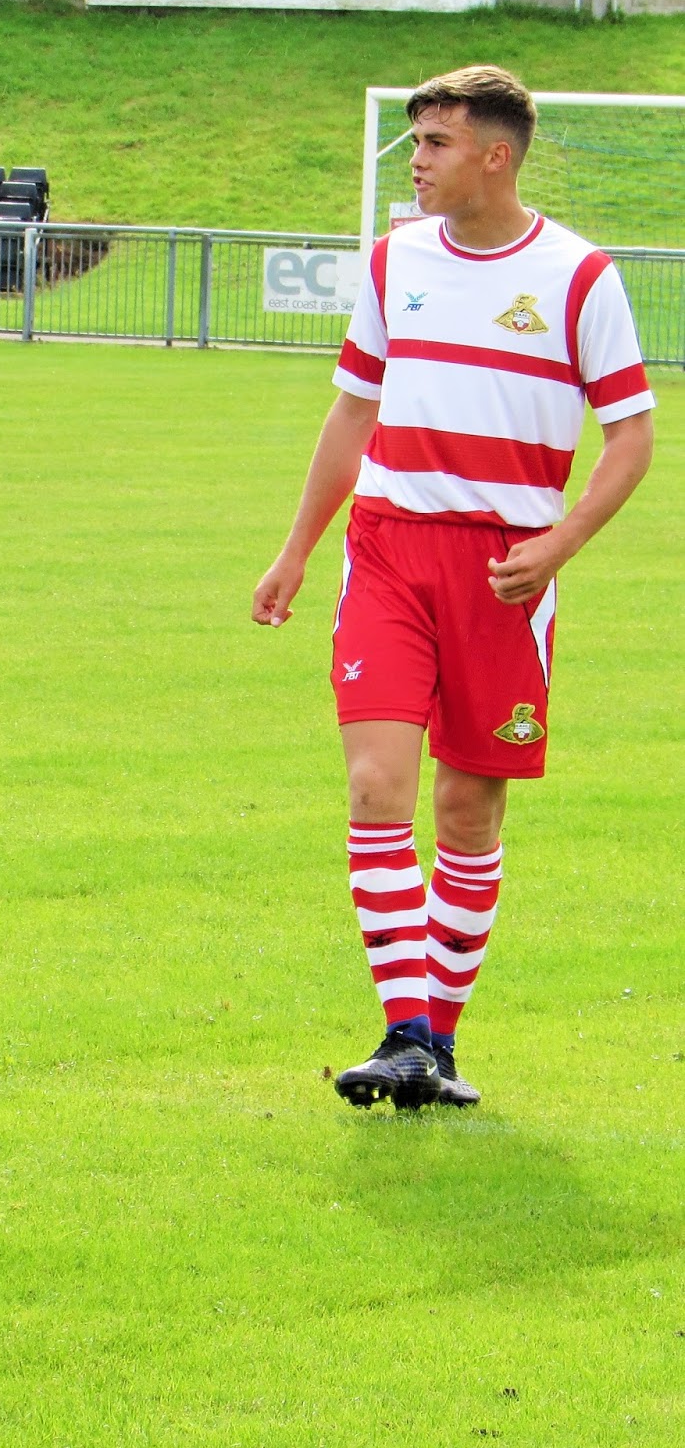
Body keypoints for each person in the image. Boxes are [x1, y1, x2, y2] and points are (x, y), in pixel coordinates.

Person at [251, 65, 654, 1111]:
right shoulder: (395, 262)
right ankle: (404, 1032)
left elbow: (632, 436)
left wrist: (558, 542)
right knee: (376, 787)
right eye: (416, 139)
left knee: (467, 808)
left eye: (432, 142)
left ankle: (437, 1041)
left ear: (494, 155)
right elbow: (350, 415)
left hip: (504, 570)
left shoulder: (577, 275)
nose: (415, 160)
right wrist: (298, 549)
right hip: (387, 548)